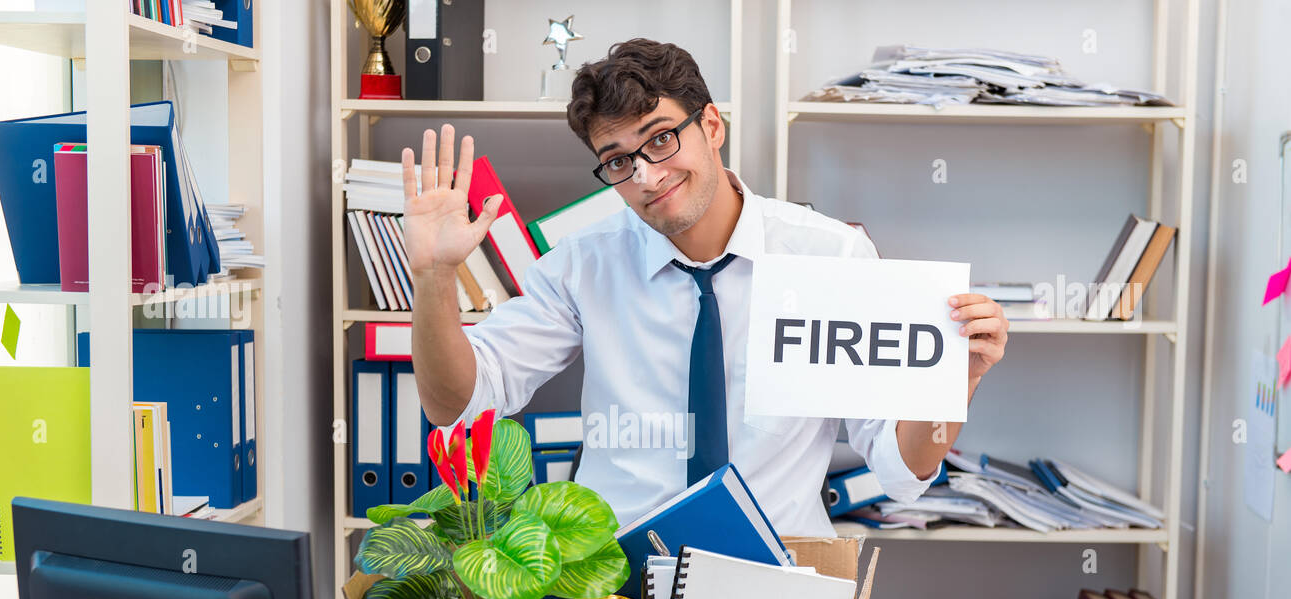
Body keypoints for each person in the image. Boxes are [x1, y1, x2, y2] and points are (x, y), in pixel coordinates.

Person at [401, 38, 1008, 536]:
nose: (648, 174)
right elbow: (458, 405)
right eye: (619, 161)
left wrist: (957, 379)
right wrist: (433, 280)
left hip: (781, 584)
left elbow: (902, 474)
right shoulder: (582, 265)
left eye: (661, 138)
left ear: (711, 125)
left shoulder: (831, 255)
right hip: (615, 590)